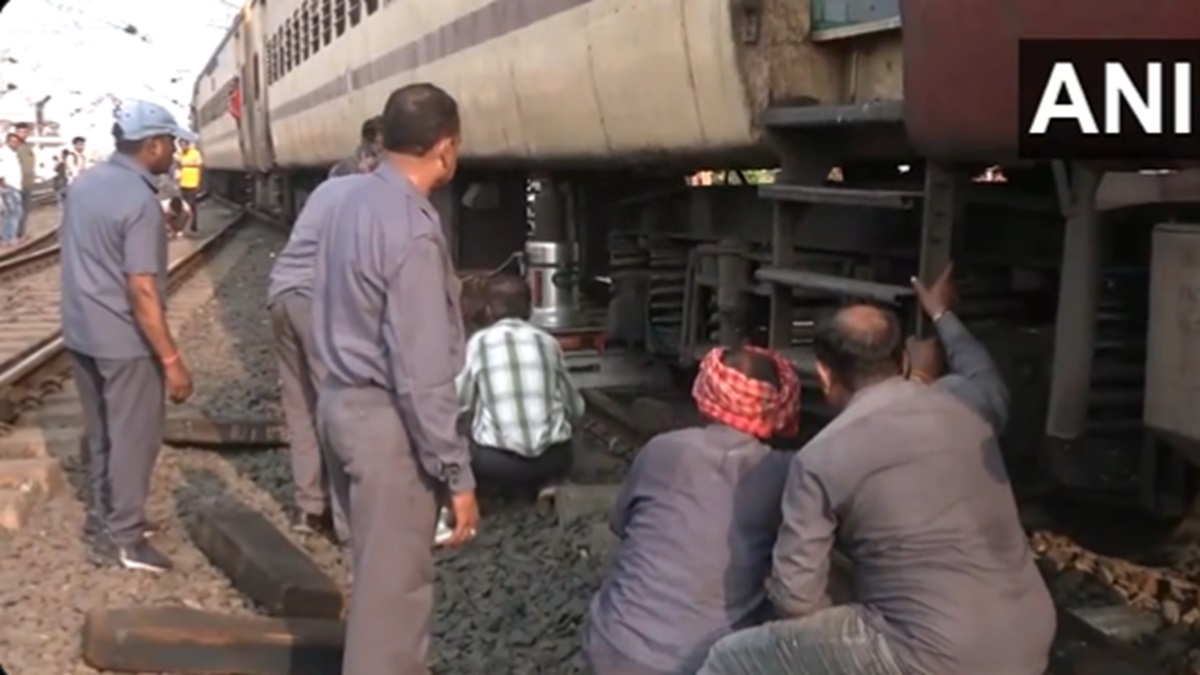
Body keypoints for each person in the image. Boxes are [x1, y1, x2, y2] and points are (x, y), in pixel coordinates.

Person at [698, 264, 1055, 675]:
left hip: (936, 658)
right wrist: (942, 314)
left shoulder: (820, 458)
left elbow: (795, 598)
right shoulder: (967, 401)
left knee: (729, 658)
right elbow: (981, 370)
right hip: (1030, 636)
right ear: (903, 359)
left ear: (825, 375)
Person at [311, 82, 480, 675]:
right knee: (395, 604)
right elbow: (420, 369)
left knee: (373, 580)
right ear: (446, 147)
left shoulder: (346, 200)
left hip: (337, 406)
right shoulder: (411, 229)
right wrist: (455, 473)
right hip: (386, 427)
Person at [583, 345, 800, 675]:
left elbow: (620, 527)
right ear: (777, 407)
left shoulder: (662, 448)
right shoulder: (782, 471)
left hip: (610, 649)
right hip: (703, 667)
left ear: (706, 393)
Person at [59, 101, 197, 573]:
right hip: (125, 341)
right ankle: (127, 537)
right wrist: (172, 358)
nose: (175, 152)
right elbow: (141, 289)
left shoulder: (85, 184)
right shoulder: (139, 201)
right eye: (172, 143)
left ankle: (108, 517)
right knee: (134, 438)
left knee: (102, 435)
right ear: (152, 144)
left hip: (80, 332)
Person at [267, 170, 376, 543]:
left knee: (301, 407)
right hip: (317, 301)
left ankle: (310, 509)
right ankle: (349, 526)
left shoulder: (325, 190)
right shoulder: (371, 193)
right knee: (339, 409)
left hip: (283, 297)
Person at [455, 274, 584, 497]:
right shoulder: (547, 342)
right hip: (552, 461)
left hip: (497, 465)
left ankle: (491, 492)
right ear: (530, 309)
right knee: (566, 431)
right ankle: (548, 485)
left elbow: (460, 403)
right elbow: (576, 408)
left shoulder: (479, 343)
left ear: (489, 310)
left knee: (463, 432)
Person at [175, 139, 203, 234]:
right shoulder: (180, 154)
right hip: (183, 183)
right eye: (181, 145)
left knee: (191, 205)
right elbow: (177, 165)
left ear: (188, 144)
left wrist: (183, 162)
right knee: (184, 206)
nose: (183, 147)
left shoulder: (195, 153)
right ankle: (183, 226)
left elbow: (199, 163)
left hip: (193, 182)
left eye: (184, 145)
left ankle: (193, 225)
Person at [13, 122, 35, 239]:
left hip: (27, 182)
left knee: (25, 209)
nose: (24, 134)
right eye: (21, 131)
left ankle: (20, 233)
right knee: (15, 210)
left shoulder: (27, 146)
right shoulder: (13, 146)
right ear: (16, 132)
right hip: (15, 183)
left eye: (26, 132)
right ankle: (13, 234)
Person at [0, 133, 23, 247]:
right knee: (14, 213)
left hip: (14, 185)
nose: (15, 143)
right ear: (8, 141)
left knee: (11, 213)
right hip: (9, 186)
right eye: (12, 141)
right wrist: (3, 182)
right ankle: (10, 238)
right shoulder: (4, 153)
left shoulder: (13, 154)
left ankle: (6, 238)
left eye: (17, 142)